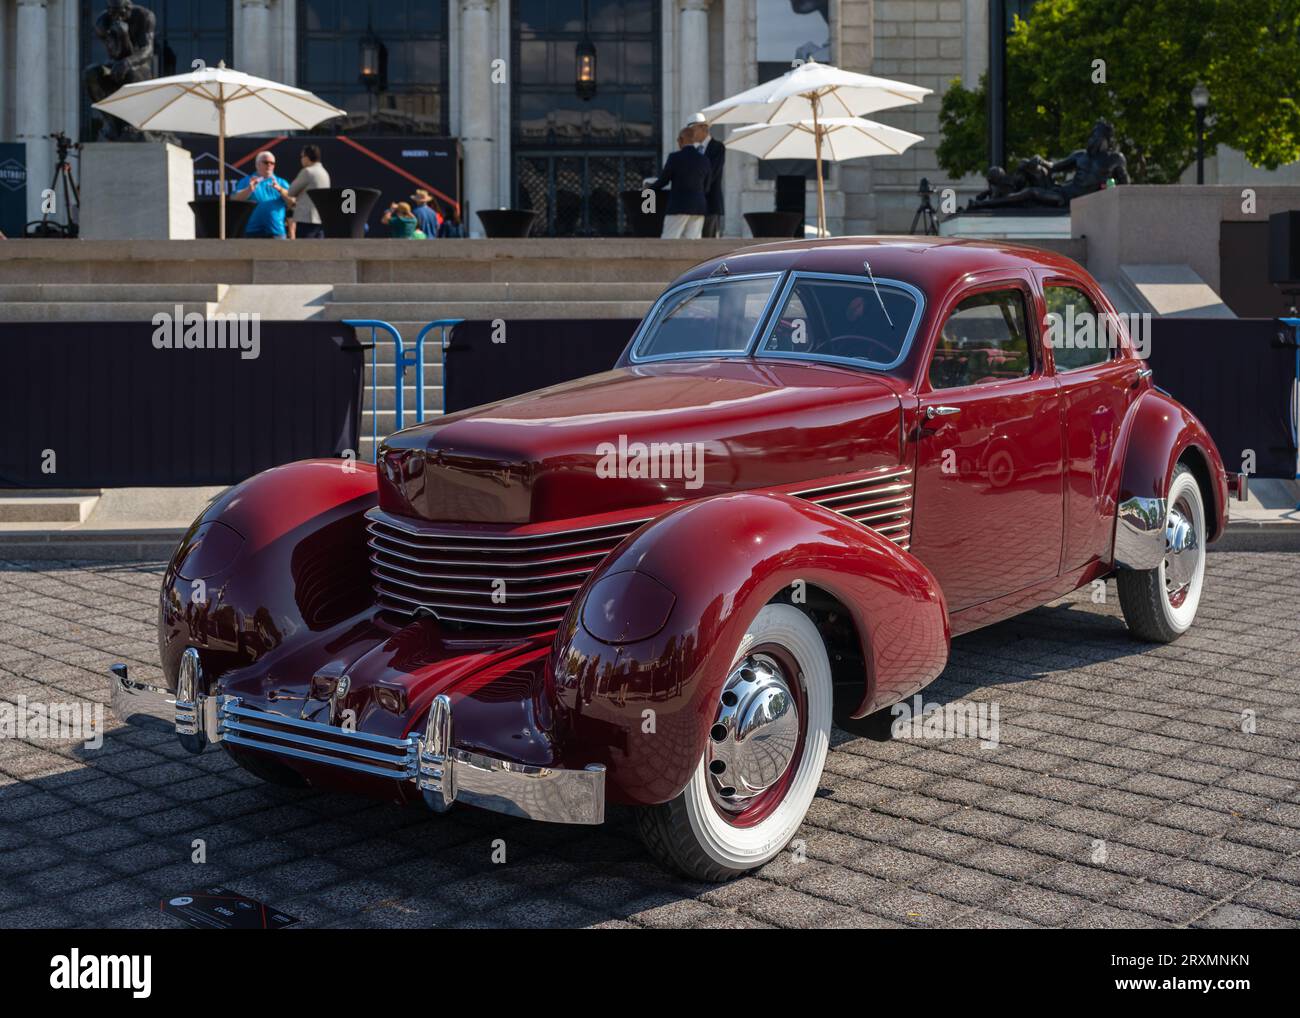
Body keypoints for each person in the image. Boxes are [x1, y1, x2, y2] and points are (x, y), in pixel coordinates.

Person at [645, 129, 710, 239]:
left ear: (681, 140)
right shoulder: (704, 159)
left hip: (679, 206)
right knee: (693, 244)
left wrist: (649, 188)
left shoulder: (674, 157)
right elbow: (707, 186)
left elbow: (663, 180)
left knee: (669, 240)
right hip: (698, 206)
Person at [232, 151, 291, 238]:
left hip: (276, 232)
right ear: (257, 164)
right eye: (266, 162)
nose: (269, 165)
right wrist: (249, 190)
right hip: (251, 231)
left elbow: (293, 202)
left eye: (272, 163)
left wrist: (280, 190)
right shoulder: (247, 181)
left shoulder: (281, 182)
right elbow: (234, 199)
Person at [285, 144, 330, 239]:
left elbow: (291, 191)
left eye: (302, 156)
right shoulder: (325, 173)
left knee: (304, 252)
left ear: (307, 157)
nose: (301, 159)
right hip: (321, 218)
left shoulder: (307, 172)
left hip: (306, 219)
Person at [692, 117, 726, 238]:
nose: (691, 134)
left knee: (709, 238)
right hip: (694, 205)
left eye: (693, 130)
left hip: (711, 203)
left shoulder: (717, 147)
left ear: (703, 128)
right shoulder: (693, 150)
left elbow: (713, 173)